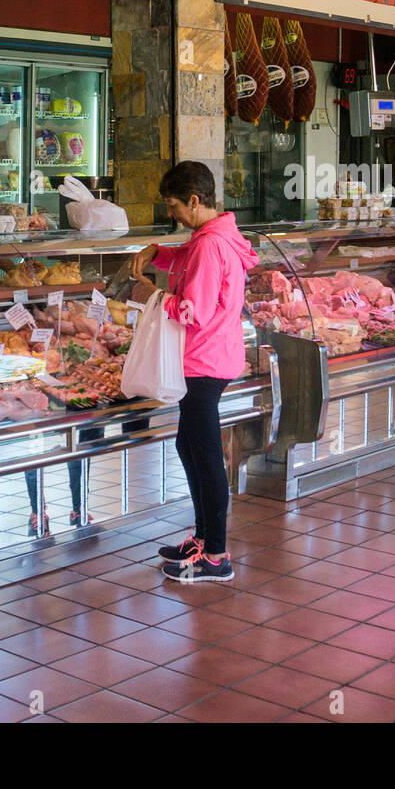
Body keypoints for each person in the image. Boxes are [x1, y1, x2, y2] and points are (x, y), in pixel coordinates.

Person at [130, 162, 258, 582]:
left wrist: (153, 295)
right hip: (208, 359)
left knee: (205, 458)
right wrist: (160, 252)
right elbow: (186, 261)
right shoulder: (212, 236)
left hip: (204, 363)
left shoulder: (209, 245)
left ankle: (216, 555)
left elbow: (193, 312)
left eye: (174, 206)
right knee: (189, 447)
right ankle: (202, 537)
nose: (173, 214)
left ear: (195, 201)